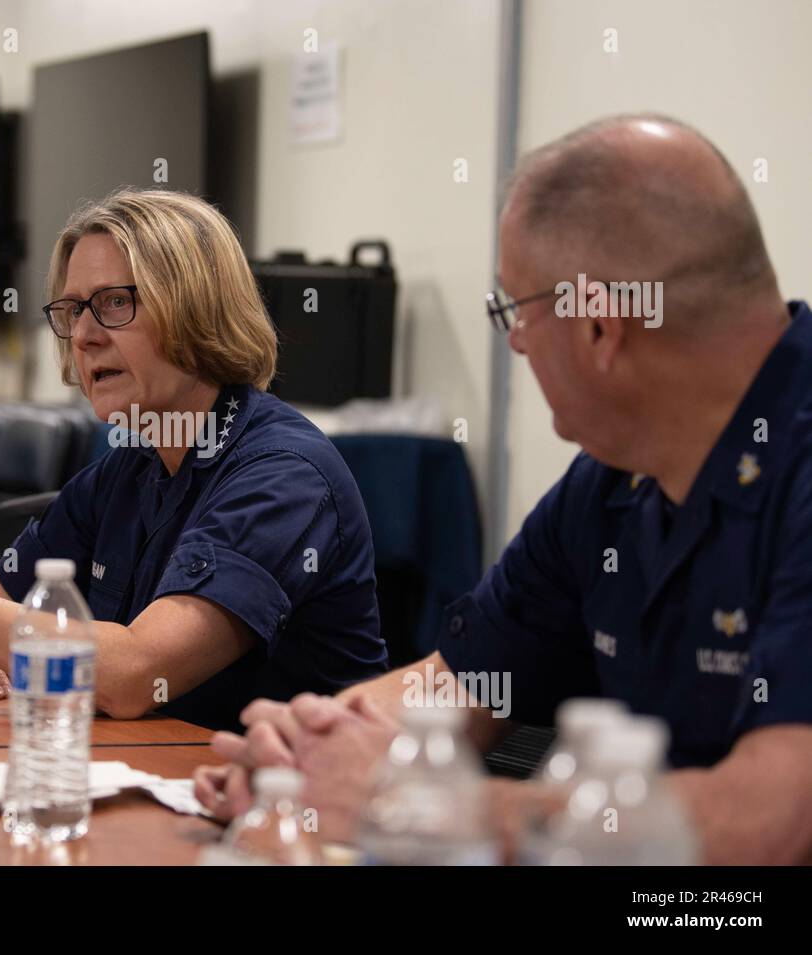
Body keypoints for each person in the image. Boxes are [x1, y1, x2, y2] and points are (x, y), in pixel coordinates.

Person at [197, 114, 812, 865]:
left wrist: (434, 808)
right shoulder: (611, 479)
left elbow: (778, 818)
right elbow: (461, 684)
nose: (515, 342)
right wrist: (313, 747)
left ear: (598, 325)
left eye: (514, 311)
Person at [0, 189, 388, 730]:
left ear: (198, 310)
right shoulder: (129, 465)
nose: (83, 335)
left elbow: (136, 675)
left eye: (114, 303)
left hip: (286, 815)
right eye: (72, 310)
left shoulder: (284, 476)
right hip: (154, 786)